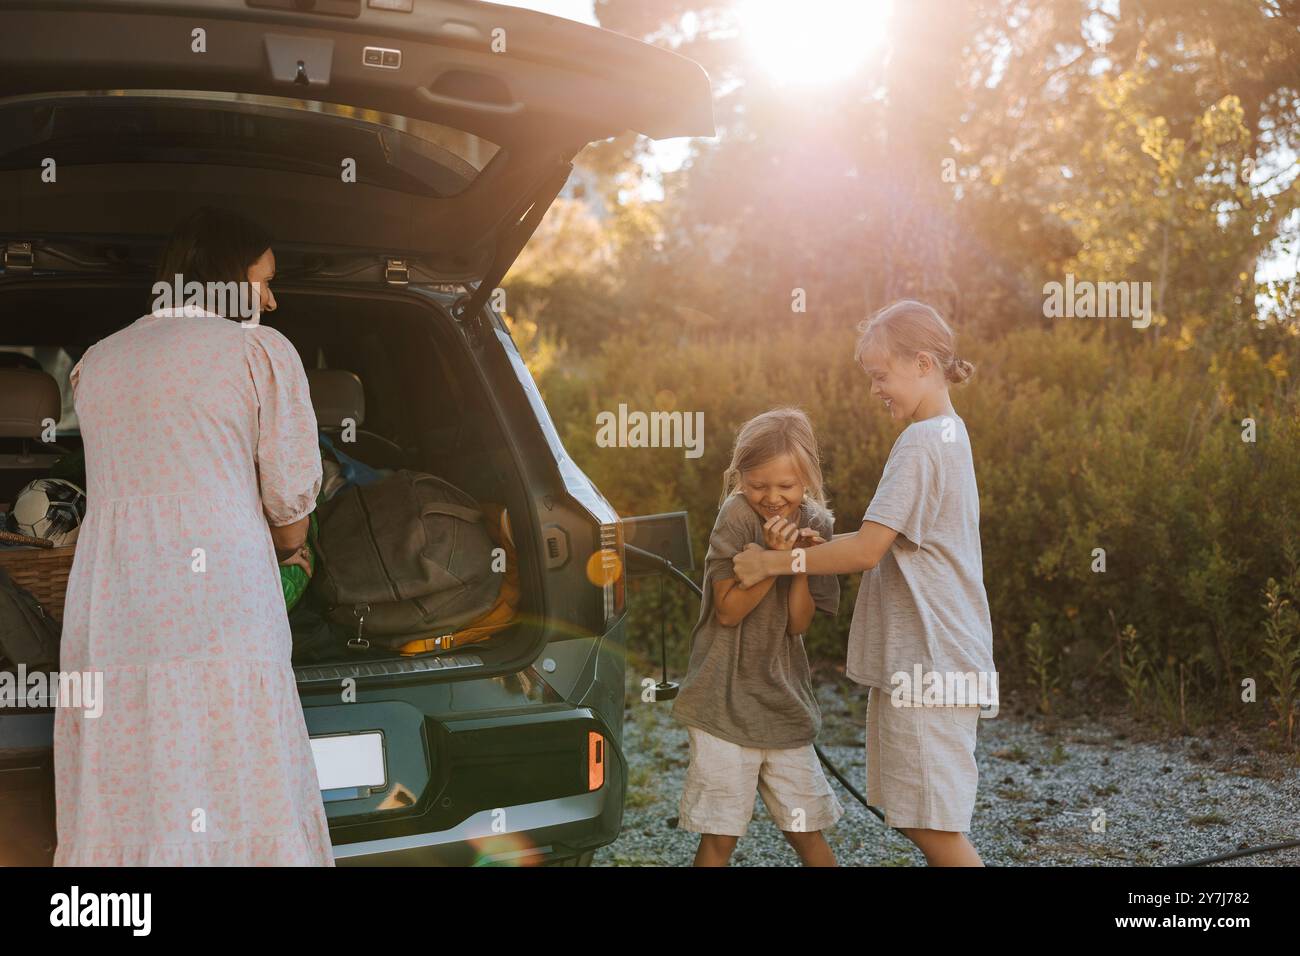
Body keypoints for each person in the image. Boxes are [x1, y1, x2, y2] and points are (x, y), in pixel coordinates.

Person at [53, 206, 334, 865]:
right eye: (263, 281)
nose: (272, 298)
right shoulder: (257, 350)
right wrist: (294, 549)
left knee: (134, 758)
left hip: (113, 594)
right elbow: (291, 495)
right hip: (223, 591)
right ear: (226, 278)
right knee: (233, 753)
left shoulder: (99, 360)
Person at [733, 299, 997, 867]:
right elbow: (883, 539)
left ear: (922, 362)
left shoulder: (921, 443)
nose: (876, 389)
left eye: (881, 375)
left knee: (933, 827)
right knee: (921, 818)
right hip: (938, 657)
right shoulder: (949, 434)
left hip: (929, 661)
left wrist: (773, 563)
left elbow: (867, 549)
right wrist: (815, 546)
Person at [671, 407, 843, 866]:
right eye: (757, 485)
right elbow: (728, 612)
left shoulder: (818, 523)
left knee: (807, 832)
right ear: (739, 477)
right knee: (720, 837)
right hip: (722, 701)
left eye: (785, 487)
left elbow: (798, 624)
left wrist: (799, 563)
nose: (771, 498)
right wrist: (772, 557)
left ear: (807, 478)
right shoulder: (736, 517)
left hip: (782, 702)